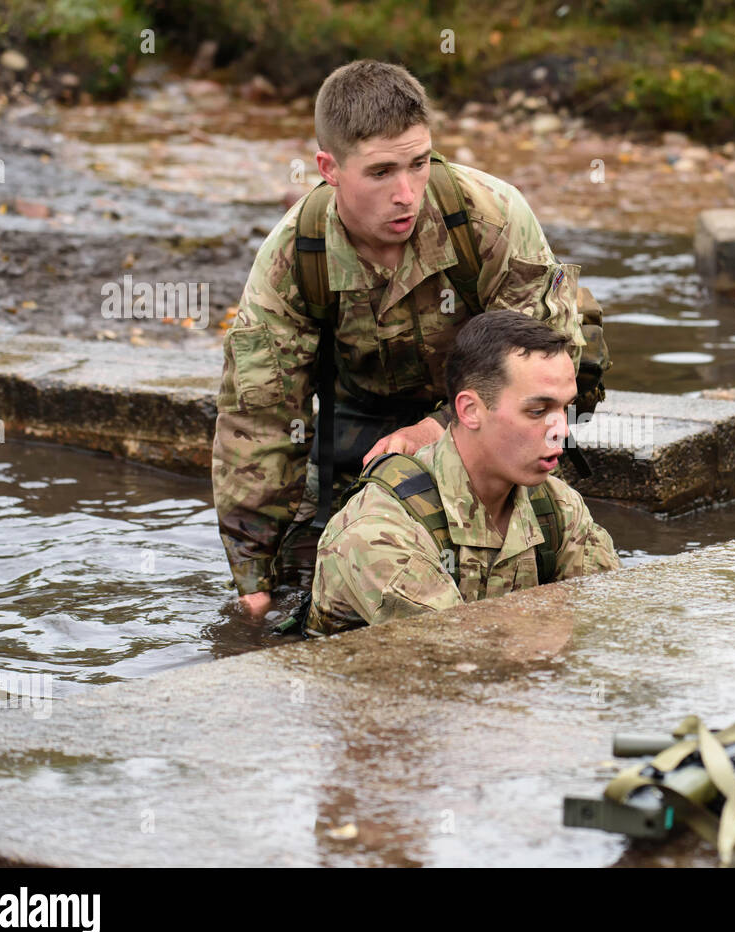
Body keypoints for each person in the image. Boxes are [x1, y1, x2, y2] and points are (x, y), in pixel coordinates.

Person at [211, 60, 599, 620]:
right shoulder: (294, 259)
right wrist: (253, 578)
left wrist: (434, 428)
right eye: (381, 172)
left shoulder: (488, 220)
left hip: (483, 411)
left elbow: (551, 363)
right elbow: (258, 421)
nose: (405, 193)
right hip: (354, 420)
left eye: (419, 164)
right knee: (307, 592)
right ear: (329, 168)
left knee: (529, 565)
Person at [304, 311, 621, 636]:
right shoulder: (378, 532)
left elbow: (611, 621)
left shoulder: (558, 507)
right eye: (537, 411)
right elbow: (459, 663)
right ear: (470, 410)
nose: (562, 431)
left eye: (566, 408)